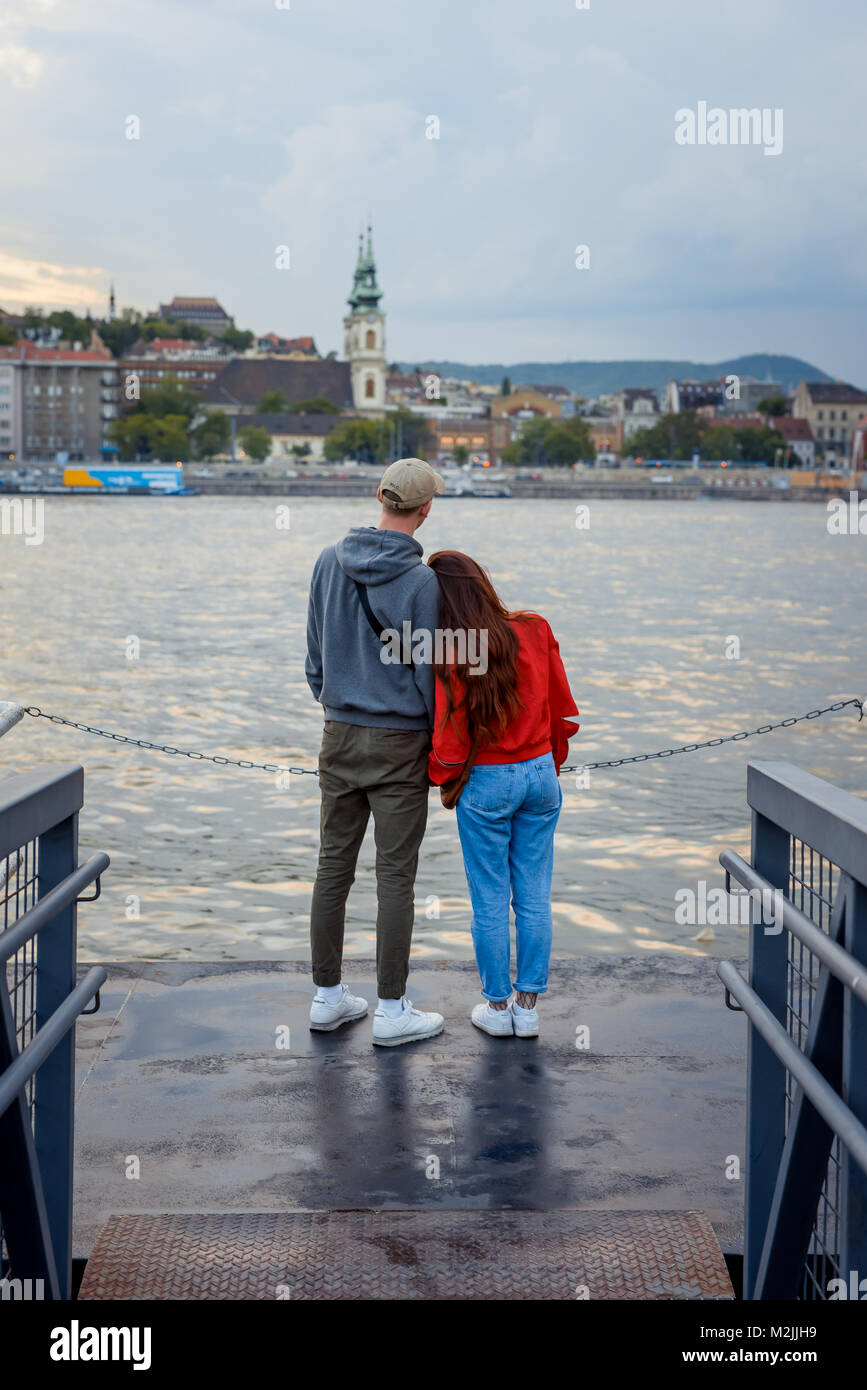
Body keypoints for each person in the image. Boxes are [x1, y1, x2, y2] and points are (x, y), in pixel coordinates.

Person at [305, 458, 446, 1046]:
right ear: (426, 510)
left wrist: (338, 702)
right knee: (396, 875)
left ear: (378, 495)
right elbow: (426, 674)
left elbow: (314, 657)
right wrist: (428, 732)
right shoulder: (421, 583)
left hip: (338, 733)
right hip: (400, 741)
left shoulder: (325, 562)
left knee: (332, 865)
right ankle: (392, 1010)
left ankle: (327, 997)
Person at [427, 551, 579, 1039]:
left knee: (490, 900)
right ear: (484, 584)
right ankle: (527, 1007)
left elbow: (449, 746)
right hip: (540, 775)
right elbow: (561, 709)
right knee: (534, 896)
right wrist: (546, 764)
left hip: (489, 783)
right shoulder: (534, 627)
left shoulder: (453, 650)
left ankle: (496, 1008)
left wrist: (437, 778)